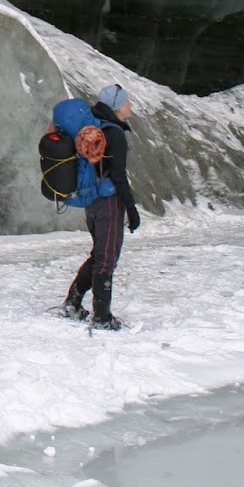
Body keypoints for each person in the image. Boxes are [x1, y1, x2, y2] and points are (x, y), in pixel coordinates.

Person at [61, 82, 141, 330]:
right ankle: (102, 317)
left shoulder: (94, 127)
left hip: (93, 201)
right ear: (116, 106)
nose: (130, 106)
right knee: (106, 259)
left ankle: (73, 302)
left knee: (99, 255)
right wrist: (131, 209)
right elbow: (118, 176)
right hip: (109, 202)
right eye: (126, 102)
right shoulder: (113, 134)